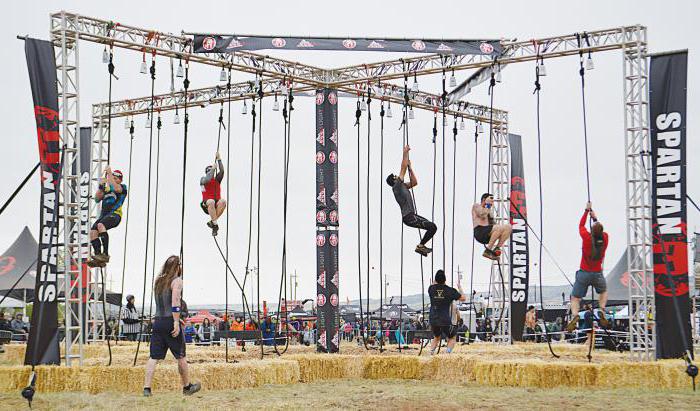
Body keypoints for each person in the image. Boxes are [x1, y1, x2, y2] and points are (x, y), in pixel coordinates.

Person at [143, 255, 201, 397]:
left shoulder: (158, 281)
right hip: (170, 321)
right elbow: (175, 301)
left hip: (158, 321)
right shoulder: (177, 281)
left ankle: (146, 388)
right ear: (177, 266)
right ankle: (187, 387)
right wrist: (176, 321)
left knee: (153, 357)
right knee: (180, 356)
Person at [566, 202, 610, 332]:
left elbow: (581, 225)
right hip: (597, 273)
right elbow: (600, 232)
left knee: (575, 298)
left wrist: (586, 211)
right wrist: (595, 218)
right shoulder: (606, 238)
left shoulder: (586, 238)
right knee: (603, 292)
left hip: (584, 273)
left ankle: (574, 316)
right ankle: (601, 310)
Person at [386, 145, 437, 256]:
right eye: (395, 176)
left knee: (433, 227)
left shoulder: (402, 186)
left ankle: (421, 246)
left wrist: (410, 167)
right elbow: (402, 168)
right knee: (432, 227)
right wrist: (405, 153)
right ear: (394, 180)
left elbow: (414, 182)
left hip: (411, 215)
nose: (397, 176)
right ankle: (420, 246)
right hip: (408, 217)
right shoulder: (396, 187)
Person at [88, 166, 127, 267]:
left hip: (115, 215)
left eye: (116, 178)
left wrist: (109, 174)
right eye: (112, 177)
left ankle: (105, 254)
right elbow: (97, 198)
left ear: (120, 180)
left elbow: (117, 188)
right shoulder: (107, 189)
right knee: (93, 232)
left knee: (100, 225)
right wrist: (101, 185)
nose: (113, 179)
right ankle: (98, 256)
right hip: (104, 216)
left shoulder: (122, 187)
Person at [428, 270, 466, 354]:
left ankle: (431, 353)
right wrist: (459, 287)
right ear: (445, 279)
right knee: (452, 337)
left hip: (433, 318)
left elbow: (434, 283)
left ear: (436, 279)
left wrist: (436, 280)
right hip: (444, 319)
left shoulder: (431, 289)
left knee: (436, 337)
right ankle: (447, 353)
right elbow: (463, 298)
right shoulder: (450, 290)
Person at [472, 193, 512, 260]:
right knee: (498, 227)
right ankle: (488, 250)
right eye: (490, 199)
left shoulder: (488, 211)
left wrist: (502, 232)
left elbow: (494, 224)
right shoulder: (476, 206)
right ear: (484, 199)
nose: (491, 202)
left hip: (488, 233)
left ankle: (497, 248)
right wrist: (488, 205)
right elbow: (482, 215)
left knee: (508, 227)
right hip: (479, 231)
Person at [200, 152, 227, 236]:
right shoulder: (203, 180)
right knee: (211, 201)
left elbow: (222, 171)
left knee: (223, 201)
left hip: (216, 204)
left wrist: (219, 159)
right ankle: (214, 223)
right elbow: (208, 178)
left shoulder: (217, 180)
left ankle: (213, 223)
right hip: (207, 204)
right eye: (209, 171)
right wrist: (212, 169)